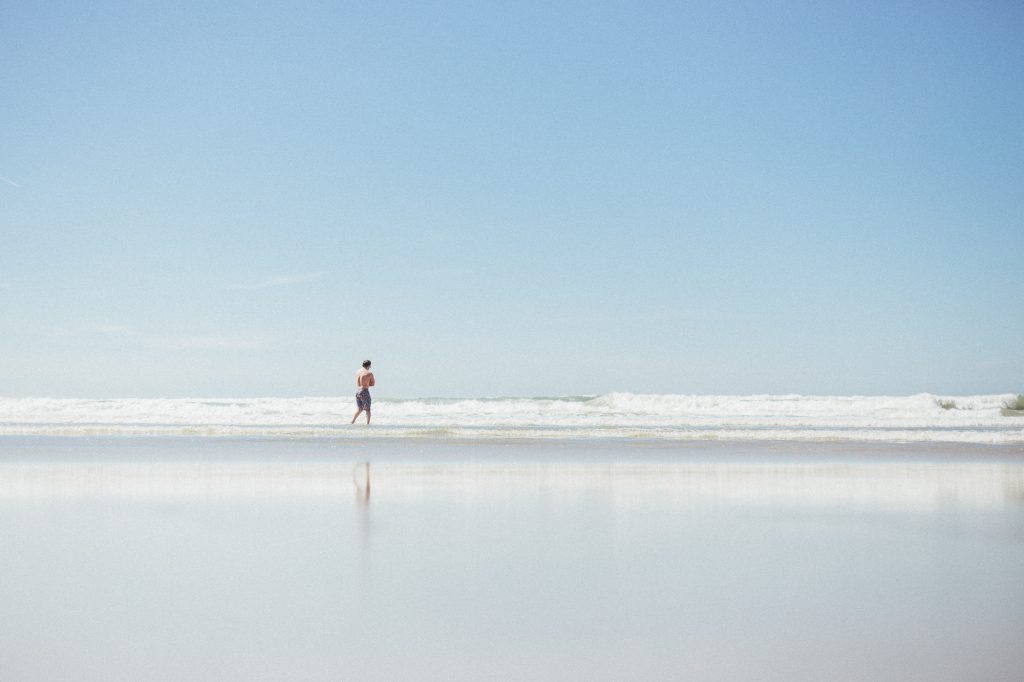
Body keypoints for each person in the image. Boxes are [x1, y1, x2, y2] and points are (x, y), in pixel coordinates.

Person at [351, 359, 375, 425]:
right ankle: (368, 424)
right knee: (368, 409)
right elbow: (373, 384)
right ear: (369, 366)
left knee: (359, 409)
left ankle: (352, 422)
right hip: (364, 391)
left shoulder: (357, 372)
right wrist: (366, 384)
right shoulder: (369, 373)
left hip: (357, 391)